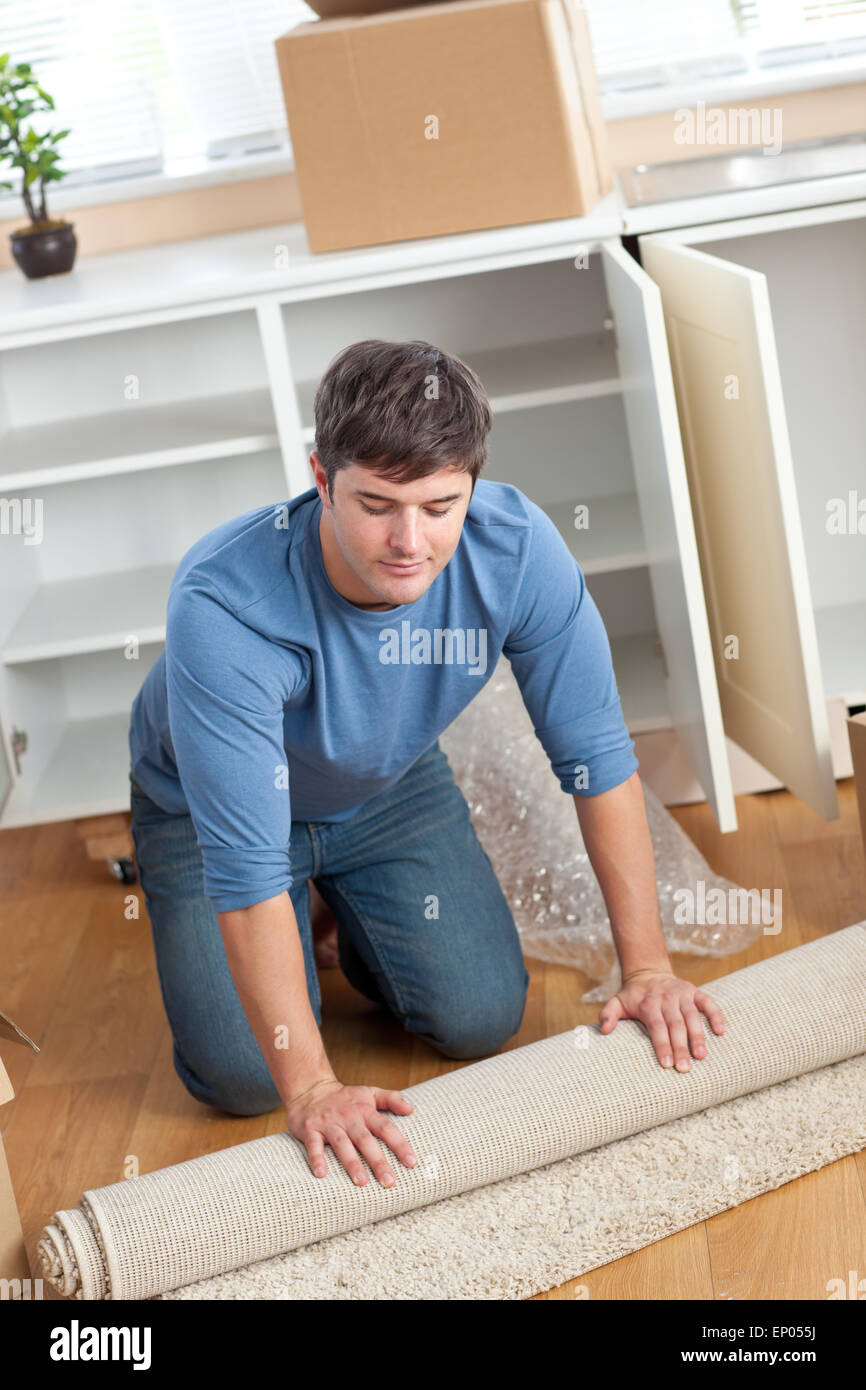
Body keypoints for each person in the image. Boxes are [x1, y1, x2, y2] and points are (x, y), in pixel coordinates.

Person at [128, 338, 725, 1191]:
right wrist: (315, 1088)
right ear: (321, 478)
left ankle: (338, 907)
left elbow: (598, 760)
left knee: (481, 1015)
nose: (411, 540)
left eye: (441, 505)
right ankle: (297, 914)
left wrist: (650, 970)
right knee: (246, 1077)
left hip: (383, 786)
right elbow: (249, 863)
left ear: (473, 485)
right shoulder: (225, 603)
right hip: (205, 812)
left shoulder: (516, 550)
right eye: (377, 504)